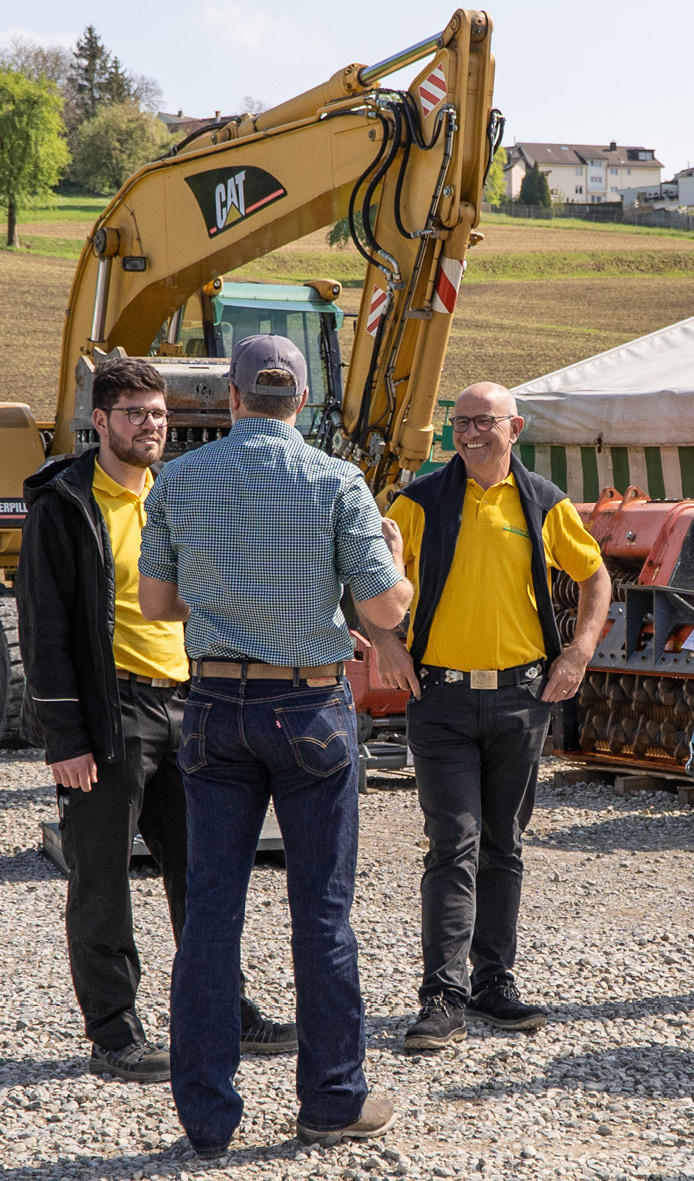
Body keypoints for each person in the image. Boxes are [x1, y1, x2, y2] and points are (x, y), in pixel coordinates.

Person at [138, 335, 413, 1157]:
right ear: (300, 399)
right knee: (320, 913)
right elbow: (386, 612)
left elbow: (158, 604)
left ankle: (207, 1118)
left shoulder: (179, 478)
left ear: (230, 396)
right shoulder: (337, 480)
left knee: (212, 916)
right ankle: (331, 1101)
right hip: (311, 703)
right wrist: (394, 562)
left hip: (216, 702)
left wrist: (232, 595)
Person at [15, 357, 295, 1085]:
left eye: (160, 414)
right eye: (136, 413)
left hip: (189, 705)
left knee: (204, 874)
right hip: (112, 714)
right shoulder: (65, 504)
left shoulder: (177, 495)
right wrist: (65, 738)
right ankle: (114, 1032)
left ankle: (225, 1007)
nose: (152, 426)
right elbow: (43, 629)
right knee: (102, 879)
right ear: (100, 420)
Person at [383, 381, 610, 1052]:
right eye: (460, 421)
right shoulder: (417, 500)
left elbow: (595, 577)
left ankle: (492, 983)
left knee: (503, 845)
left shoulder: (544, 503)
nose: (470, 432)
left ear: (516, 427)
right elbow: (367, 577)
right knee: (452, 841)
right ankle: (442, 996)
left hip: (521, 700)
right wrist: (388, 644)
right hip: (441, 700)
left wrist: (579, 652)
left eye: (484, 421)